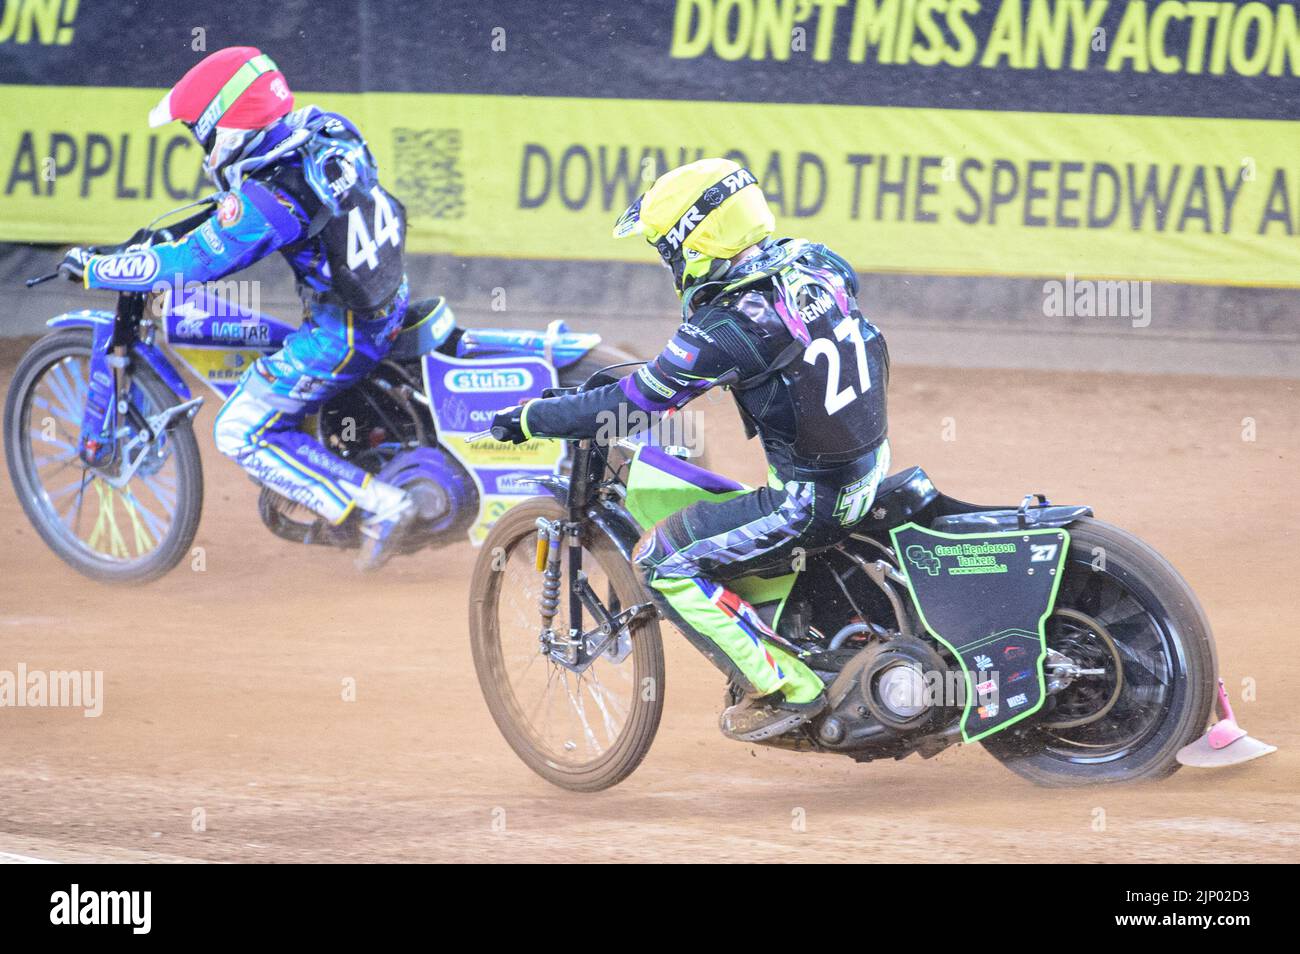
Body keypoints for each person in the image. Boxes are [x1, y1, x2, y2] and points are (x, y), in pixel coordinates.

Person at [491, 158, 892, 742]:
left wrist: (533, 417)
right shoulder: (819, 262)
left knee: (660, 558)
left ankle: (788, 688)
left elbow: (634, 407)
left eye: (665, 247)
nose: (666, 262)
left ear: (693, 242)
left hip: (812, 500)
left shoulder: (728, 326)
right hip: (871, 468)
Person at [57, 46, 415, 570]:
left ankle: (383, 506)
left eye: (197, 134)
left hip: (344, 336)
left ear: (223, 131)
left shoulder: (270, 201)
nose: (200, 149)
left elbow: (190, 265)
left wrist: (96, 268)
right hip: (388, 296)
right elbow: (245, 211)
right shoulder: (326, 130)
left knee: (238, 430)